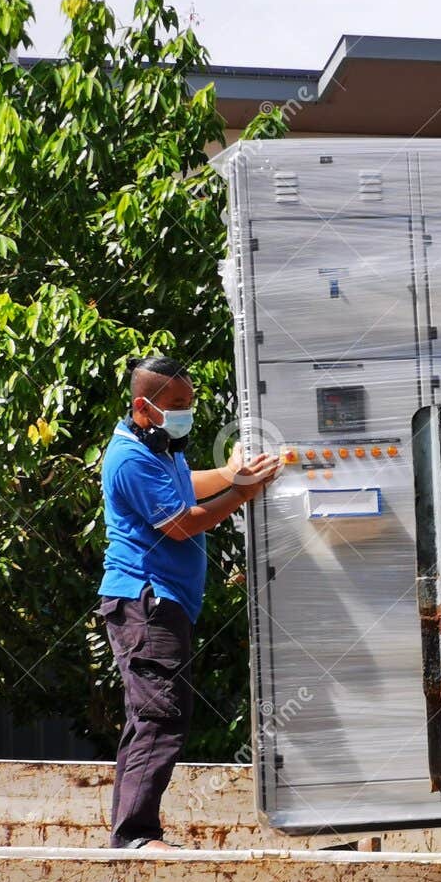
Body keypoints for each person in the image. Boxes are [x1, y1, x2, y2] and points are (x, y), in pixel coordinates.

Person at [98, 355, 280, 848]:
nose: (187, 413)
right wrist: (244, 492)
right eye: (177, 405)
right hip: (146, 602)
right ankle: (135, 836)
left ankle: (131, 835)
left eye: (190, 404)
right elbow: (181, 523)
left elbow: (186, 486)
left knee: (153, 716)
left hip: (160, 603)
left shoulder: (159, 446)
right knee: (161, 715)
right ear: (143, 406)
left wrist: (228, 472)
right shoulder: (129, 458)